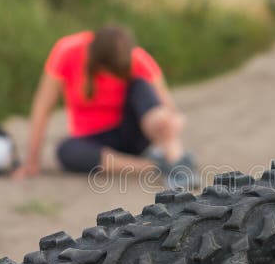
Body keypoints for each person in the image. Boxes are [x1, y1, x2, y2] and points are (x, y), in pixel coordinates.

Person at [13, 25, 195, 186]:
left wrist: (170, 124)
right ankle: (156, 167)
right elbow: (43, 107)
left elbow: (169, 110)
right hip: (93, 141)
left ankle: (176, 160)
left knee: (141, 87)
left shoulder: (136, 58)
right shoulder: (67, 51)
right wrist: (32, 161)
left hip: (133, 132)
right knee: (66, 151)